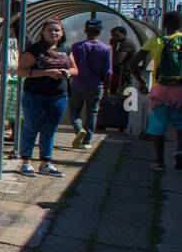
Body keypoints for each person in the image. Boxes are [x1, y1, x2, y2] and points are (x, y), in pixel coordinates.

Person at [16, 17, 77, 177]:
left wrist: (68, 72)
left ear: (62, 32)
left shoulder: (65, 49)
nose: (53, 33)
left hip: (58, 96)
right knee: (31, 127)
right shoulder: (34, 49)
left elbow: (75, 69)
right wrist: (46, 73)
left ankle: (46, 163)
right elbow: (21, 71)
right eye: (49, 30)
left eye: (57, 30)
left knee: (50, 130)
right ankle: (26, 162)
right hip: (35, 96)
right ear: (43, 32)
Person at [130, 9, 182, 172]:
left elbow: (133, 63)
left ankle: (160, 161)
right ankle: (179, 152)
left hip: (159, 90)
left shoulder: (155, 41)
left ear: (164, 24)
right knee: (180, 125)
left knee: (158, 126)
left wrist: (141, 82)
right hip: (180, 91)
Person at [68, 19, 112, 149]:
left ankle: (79, 129)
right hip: (96, 86)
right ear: (99, 31)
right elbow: (108, 71)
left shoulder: (76, 46)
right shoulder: (106, 49)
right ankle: (87, 142)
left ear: (85, 31)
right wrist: (107, 88)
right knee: (92, 113)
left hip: (77, 84)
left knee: (74, 110)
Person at [109, 25, 137, 95]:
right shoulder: (122, 44)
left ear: (124, 34)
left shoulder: (126, 44)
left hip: (123, 73)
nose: (114, 38)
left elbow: (117, 61)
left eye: (116, 35)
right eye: (113, 36)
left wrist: (113, 48)